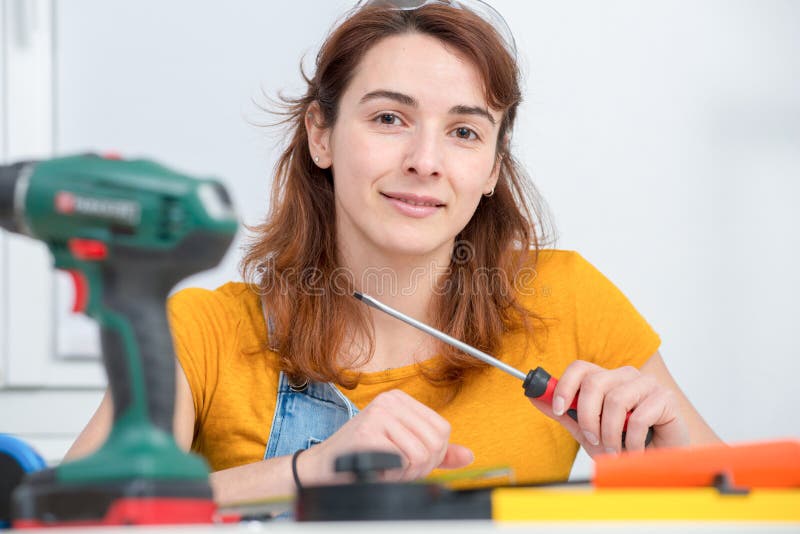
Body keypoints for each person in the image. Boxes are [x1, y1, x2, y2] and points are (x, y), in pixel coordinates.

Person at [65, 0, 720, 504]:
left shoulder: (569, 303)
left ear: (493, 166)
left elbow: (752, 512)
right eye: (388, 119)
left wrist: (665, 472)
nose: (426, 162)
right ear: (320, 135)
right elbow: (65, 517)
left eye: (464, 131)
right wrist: (305, 472)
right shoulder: (204, 334)